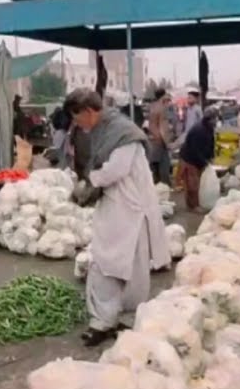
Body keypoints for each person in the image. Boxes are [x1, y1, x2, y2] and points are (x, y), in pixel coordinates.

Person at [65, 89, 170, 347]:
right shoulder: (105, 129)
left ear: (89, 111)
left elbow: (116, 169)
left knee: (128, 266)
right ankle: (103, 320)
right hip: (116, 208)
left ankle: (124, 317)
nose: (78, 124)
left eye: (78, 118)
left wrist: (91, 181)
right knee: (105, 263)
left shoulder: (123, 133)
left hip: (129, 209)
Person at [178, 108, 218, 213]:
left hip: (199, 158)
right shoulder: (198, 130)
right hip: (190, 158)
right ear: (207, 120)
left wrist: (211, 157)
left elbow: (211, 143)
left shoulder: (209, 128)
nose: (215, 121)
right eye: (213, 119)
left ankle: (196, 203)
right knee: (192, 184)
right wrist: (204, 162)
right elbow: (194, 150)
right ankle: (193, 206)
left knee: (199, 183)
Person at [146, 88, 174, 186]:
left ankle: (155, 188)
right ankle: (165, 187)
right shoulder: (162, 109)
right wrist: (167, 143)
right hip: (160, 141)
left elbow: (150, 125)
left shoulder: (152, 107)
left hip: (152, 140)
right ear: (163, 96)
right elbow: (163, 128)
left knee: (154, 168)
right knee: (164, 168)